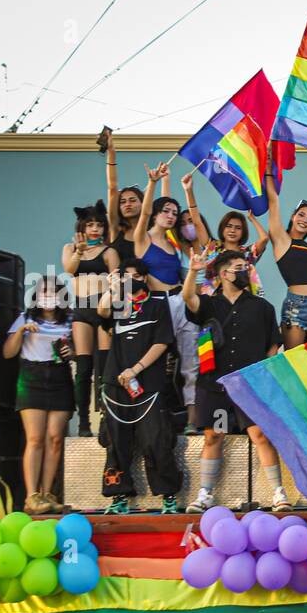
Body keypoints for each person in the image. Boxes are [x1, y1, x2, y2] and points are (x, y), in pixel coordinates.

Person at [180, 250, 289, 512]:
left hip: (250, 387)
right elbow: (188, 298)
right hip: (216, 386)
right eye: (239, 267)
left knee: (260, 435)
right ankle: (205, 494)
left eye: (246, 267)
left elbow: (272, 347)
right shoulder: (209, 304)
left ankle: (278, 493)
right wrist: (193, 270)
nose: (245, 272)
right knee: (213, 436)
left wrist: (264, 379)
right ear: (223, 273)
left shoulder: (262, 307)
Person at [95, 260, 182, 514]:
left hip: (147, 382)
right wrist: (112, 288)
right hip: (115, 383)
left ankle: (167, 495)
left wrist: (136, 369)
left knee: (155, 438)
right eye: (125, 276)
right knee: (116, 440)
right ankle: (118, 495)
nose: (128, 279)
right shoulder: (118, 304)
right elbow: (101, 313)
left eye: (134, 276)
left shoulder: (157, 304)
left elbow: (162, 343)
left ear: (144, 278)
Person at [132, 161, 200, 433]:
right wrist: (152, 183)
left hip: (180, 302)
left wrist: (169, 182)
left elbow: (166, 203)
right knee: (155, 362)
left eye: (174, 212)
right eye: (166, 212)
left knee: (189, 362)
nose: (171, 216)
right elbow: (148, 209)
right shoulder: (143, 239)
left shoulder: (173, 242)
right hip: (155, 305)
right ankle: (152, 419)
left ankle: (193, 420)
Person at [3, 274, 74, 514]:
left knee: (55, 438)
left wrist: (69, 352)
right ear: (36, 296)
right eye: (44, 292)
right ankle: (31, 495)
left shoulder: (70, 320)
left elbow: (76, 351)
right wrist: (21, 330)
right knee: (35, 439)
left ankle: (47, 493)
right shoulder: (25, 318)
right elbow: (8, 353)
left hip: (60, 377)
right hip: (31, 377)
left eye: (54, 293)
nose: (48, 298)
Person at [62, 200, 118, 438]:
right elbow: (69, 269)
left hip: (103, 308)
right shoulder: (70, 248)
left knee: (104, 368)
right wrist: (79, 251)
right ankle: (83, 422)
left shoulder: (109, 251)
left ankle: (106, 417)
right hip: (81, 308)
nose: (95, 229)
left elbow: (117, 282)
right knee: (83, 368)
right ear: (81, 227)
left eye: (99, 225)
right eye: (90, 224)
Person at [265, 180, 307, 349]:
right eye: (301, 215)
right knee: (293, 358)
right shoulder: (282, 241)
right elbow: (273, 202)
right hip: (296, 306)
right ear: (293, 216)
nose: (304, 220)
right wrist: (268, 172)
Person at [197, 210, 269, 295]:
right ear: (222, 228)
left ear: (243, 232)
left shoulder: (247, 253)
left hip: (242, 302)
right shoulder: (213, 247)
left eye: (238, 228)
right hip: (214, 300)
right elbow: (197, 224)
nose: (232, 230)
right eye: (229, 226)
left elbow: (264, 238)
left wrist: (252, 218)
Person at [104, 132, 143, 263]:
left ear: (143, 203)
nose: (127, 204)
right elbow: (112, 187)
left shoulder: (151, 231)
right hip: (121, 283)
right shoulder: (116, 229)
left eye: (132, 200)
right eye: (123, 202)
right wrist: (111, 154)